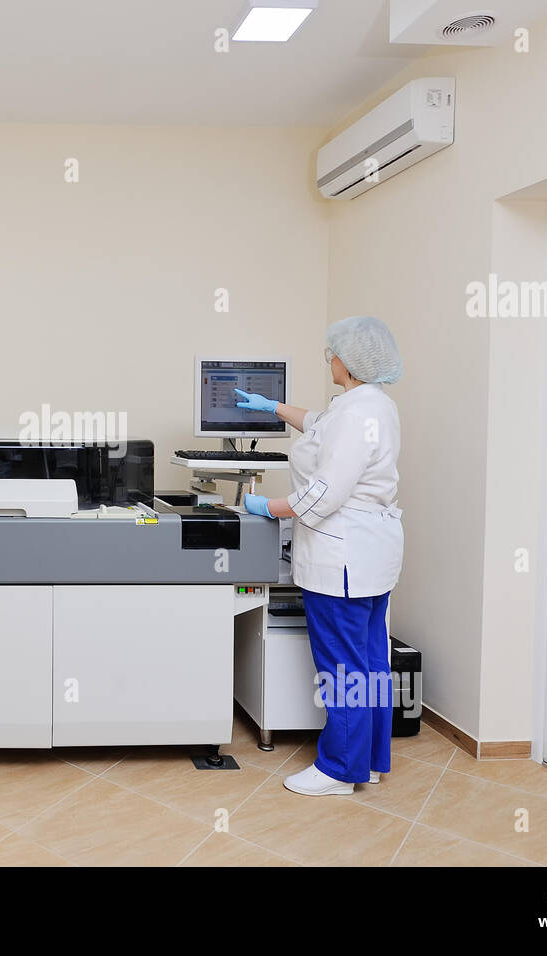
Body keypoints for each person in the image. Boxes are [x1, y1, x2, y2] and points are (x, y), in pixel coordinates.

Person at [236, 315, 404, 796]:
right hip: (373, 556)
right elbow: (321, 425)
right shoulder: (372, 404)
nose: (327, 358)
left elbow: (325, 493)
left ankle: (337, 771)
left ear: (345, 360)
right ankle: (369, 761)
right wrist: (274, 407)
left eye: (330, 352)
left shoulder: (355, 414)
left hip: (342, 560)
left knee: (343, 670)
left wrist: (265, 507)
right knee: (370, 663)